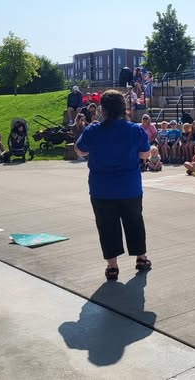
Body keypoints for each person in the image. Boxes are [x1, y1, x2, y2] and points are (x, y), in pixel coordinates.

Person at [74, 90, 151, 282]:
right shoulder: (135, 130)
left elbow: (80, 151)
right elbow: (145, 155)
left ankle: (112, 266)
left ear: (103, 109)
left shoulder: (93, 130)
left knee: (107, 227)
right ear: (123, 109)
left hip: (102, 189)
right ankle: (141, 258)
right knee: (134, 222)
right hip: (129, 187)